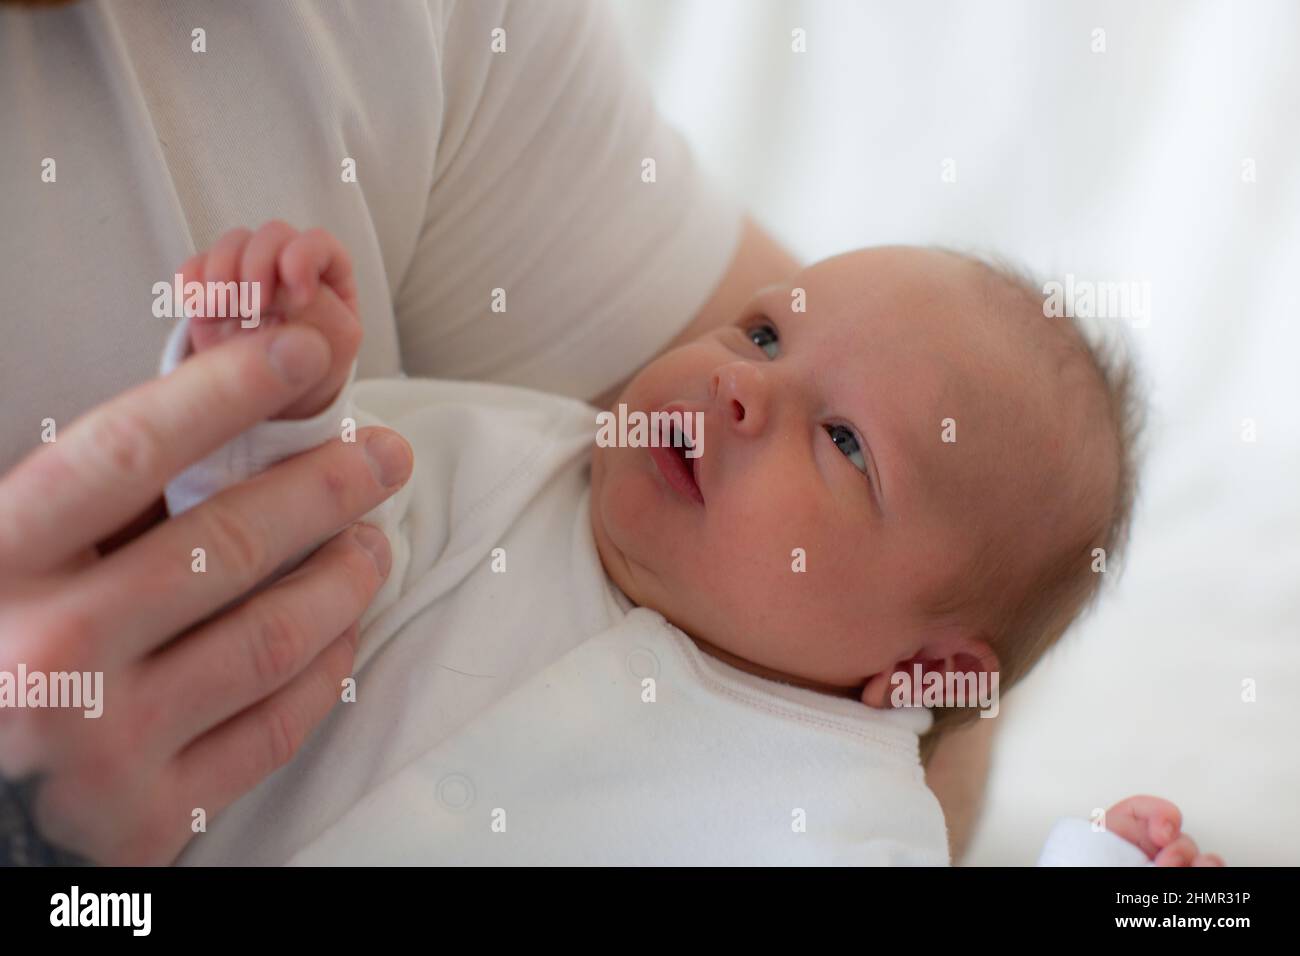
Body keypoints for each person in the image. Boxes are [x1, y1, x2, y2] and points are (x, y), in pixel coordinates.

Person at [0, 0, 993, 864]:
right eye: (766, 334)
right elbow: (294, 540)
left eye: (847, 442)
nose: (740, 383)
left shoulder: (853, 801)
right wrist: (274, 404)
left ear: (932, 671)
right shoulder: (510, 459)